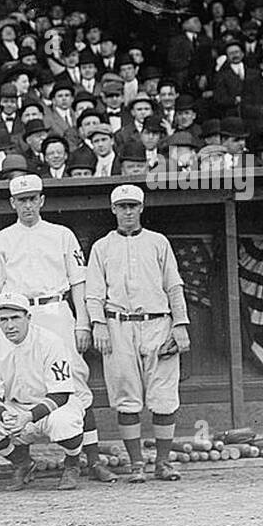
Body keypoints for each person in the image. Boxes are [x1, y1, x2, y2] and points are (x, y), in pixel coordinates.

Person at [0, 173, 116, 482]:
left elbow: (78, 281)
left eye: (32, 199)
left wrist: (83, 320)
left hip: (54, 309)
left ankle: (91, 460)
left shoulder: (62, 234)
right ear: (12, 203)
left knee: (75, 383)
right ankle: (22, 461)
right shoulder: (0, 240)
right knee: (19, 385)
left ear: (41, 200)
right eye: (21, 200)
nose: (27, 206)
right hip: (16, 313)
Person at [85, 185, 192, 482]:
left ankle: (162, 462)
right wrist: (98, 324)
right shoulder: (102, 246)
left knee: (163, 395)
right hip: (118, 325)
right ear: (113, 210)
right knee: (126, 395)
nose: (128, 212)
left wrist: (180, 324)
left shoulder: (158, 242)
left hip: (158, 322)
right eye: (122, 206)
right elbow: (93, 293)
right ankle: (136, 464)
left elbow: (174, 285)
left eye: (133, 206)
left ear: (141, 208)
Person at [0, 293, 86, 491]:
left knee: (64, 423)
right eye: (4, 320)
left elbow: (61, 393)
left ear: (28, 317)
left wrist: (29, 416)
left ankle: (72, 464)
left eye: (15, 318)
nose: (9, 325)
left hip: (53, 405)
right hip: (15, 406)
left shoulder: (50, 341)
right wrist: (3, 414)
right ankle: (23, 463)